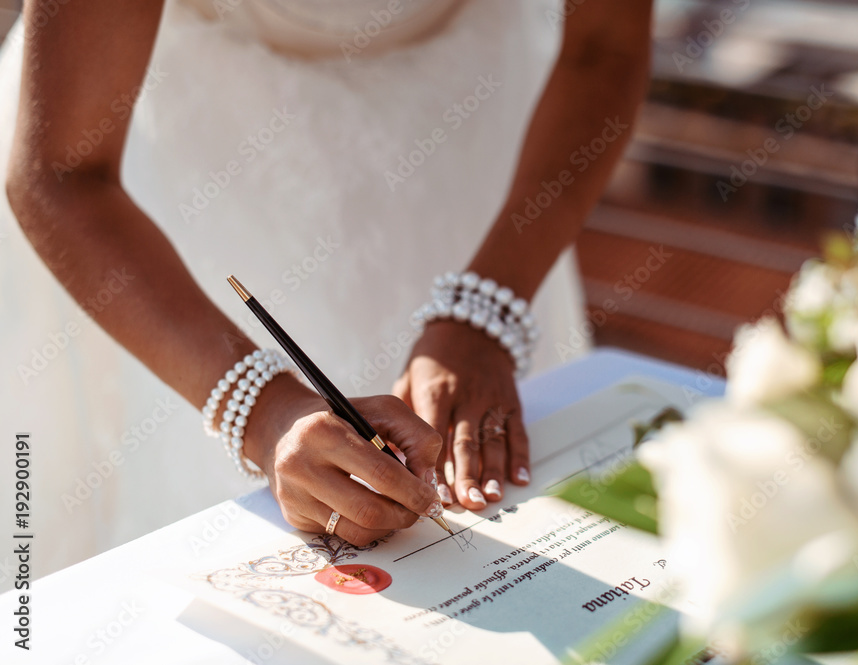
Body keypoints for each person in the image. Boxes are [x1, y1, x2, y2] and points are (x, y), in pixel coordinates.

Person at [1, 0, 652, 572]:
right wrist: (261, 410)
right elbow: (61, 169)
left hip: (485, 173)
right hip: (197, 197)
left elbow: (606, 46)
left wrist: (489, 303)